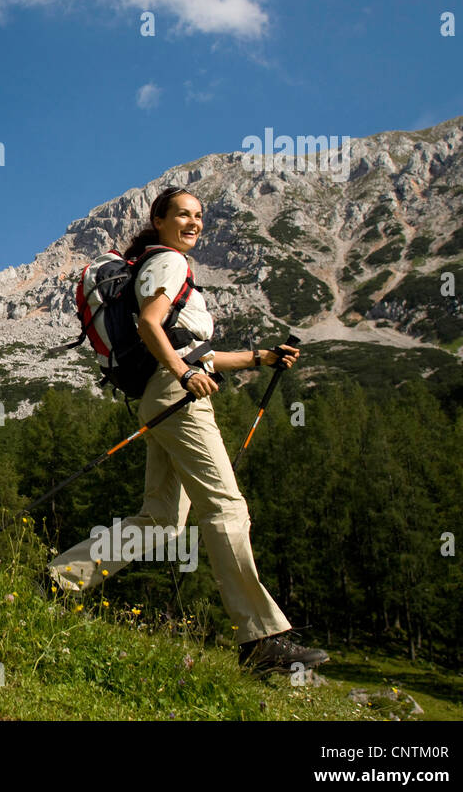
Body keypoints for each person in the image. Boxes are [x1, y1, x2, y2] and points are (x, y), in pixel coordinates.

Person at [45, 185, 329, 674]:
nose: (193, 223)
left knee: (161, 519)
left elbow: (195, 349)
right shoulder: (170, 262)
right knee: (224, 506)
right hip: (178, 396)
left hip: (163, 394)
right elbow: (152, 326)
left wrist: (261, 358)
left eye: (198, 216)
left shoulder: (162, 264)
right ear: (159, 220)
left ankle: (60, 579)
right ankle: (261, 638)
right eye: (182, 214)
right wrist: (185, 375)